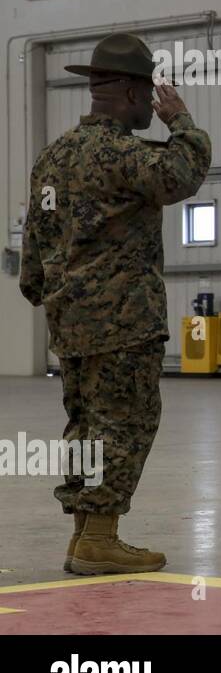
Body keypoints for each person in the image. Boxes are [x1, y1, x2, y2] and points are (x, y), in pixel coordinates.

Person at [20, 32, 211, 574]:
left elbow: (35, 240)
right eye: (149, 93)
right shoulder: (124, 154)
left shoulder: (53, 156)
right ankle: (100, 536)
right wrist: (182, 123)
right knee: (125, 424)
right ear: (130, 93)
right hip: (123, 320)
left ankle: (84, 534)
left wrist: (50, 295)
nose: (152, 104)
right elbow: (182, 175)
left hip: (71, 323)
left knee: (84, 425)